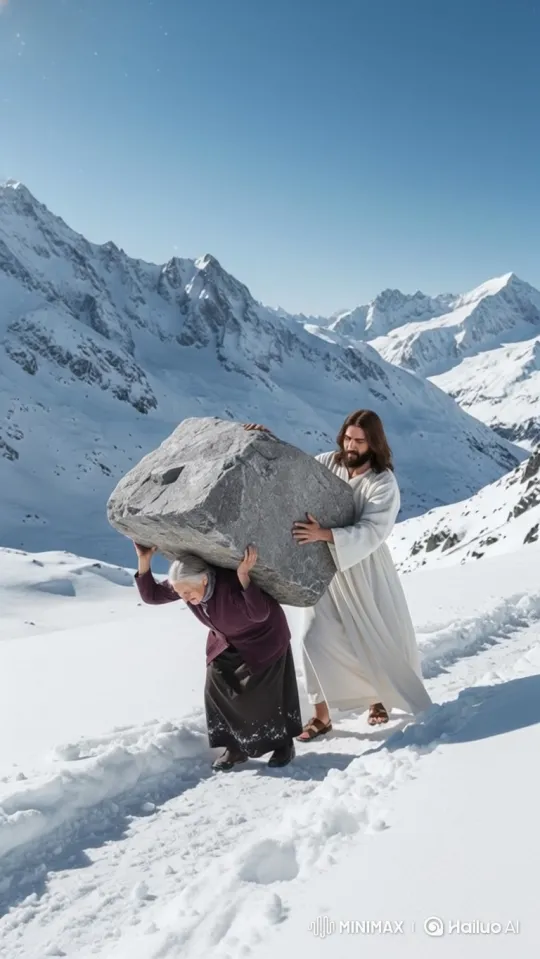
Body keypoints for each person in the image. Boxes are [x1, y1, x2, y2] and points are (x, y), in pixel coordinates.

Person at [244, 411, 432, 741]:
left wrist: (326, 535)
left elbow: (373, 530)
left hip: (363, 568)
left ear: (374, 442)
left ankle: (379, 698)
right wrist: (266, 440)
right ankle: (321, 715)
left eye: (359, 440)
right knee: (314, 637)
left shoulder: (382, 482)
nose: (351, 445)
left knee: (369, 634)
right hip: (324, 567)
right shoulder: (329, 463)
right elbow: (293, 470)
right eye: (347, 438)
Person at [133, 542, 302, 769]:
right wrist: (144, 560)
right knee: (216, 689)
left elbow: (260, 613)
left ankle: (283, 745)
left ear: (204, 579)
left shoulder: (228, 586)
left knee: (263, 695)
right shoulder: (187, 583)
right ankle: (234, 747)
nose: (184, 597)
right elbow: (152, 596)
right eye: (179, 593)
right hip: (225, 642)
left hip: (264, 638)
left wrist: (243, 575)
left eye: (187, 592)